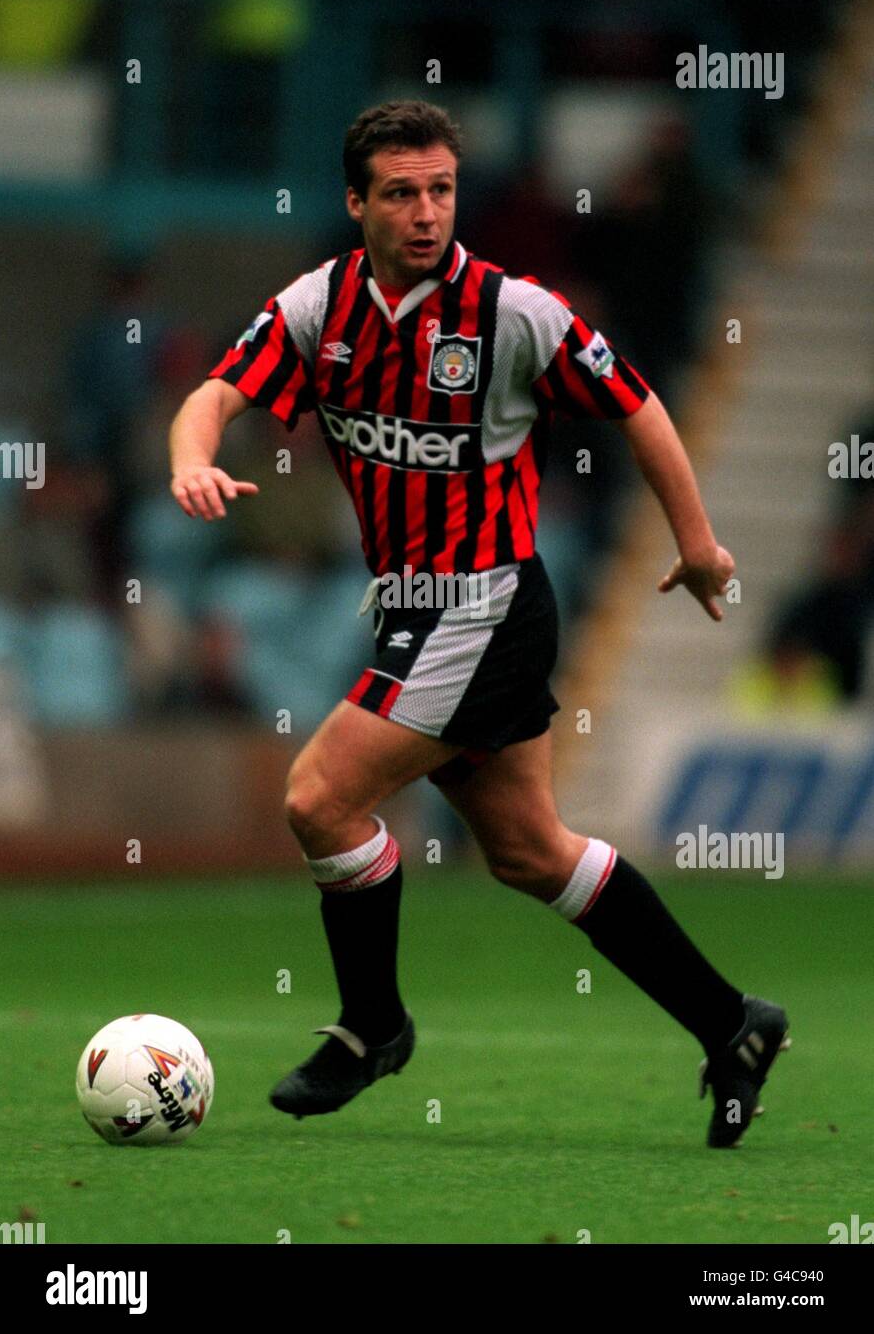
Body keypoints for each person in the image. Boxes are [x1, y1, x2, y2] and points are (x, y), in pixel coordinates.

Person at [168, 100, 789, 1148]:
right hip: (411, 612)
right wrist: (192, 460)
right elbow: (215, 394)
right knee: (531, 852)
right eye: (401, 193)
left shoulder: (514, 313)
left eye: (441, 190)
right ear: (356, 202)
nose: (425, 213)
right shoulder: (320, 305)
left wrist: (696, 543)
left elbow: (637, 403)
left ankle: (374, 1027)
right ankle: (733, 1023)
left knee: (319, 799)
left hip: (485, 605)